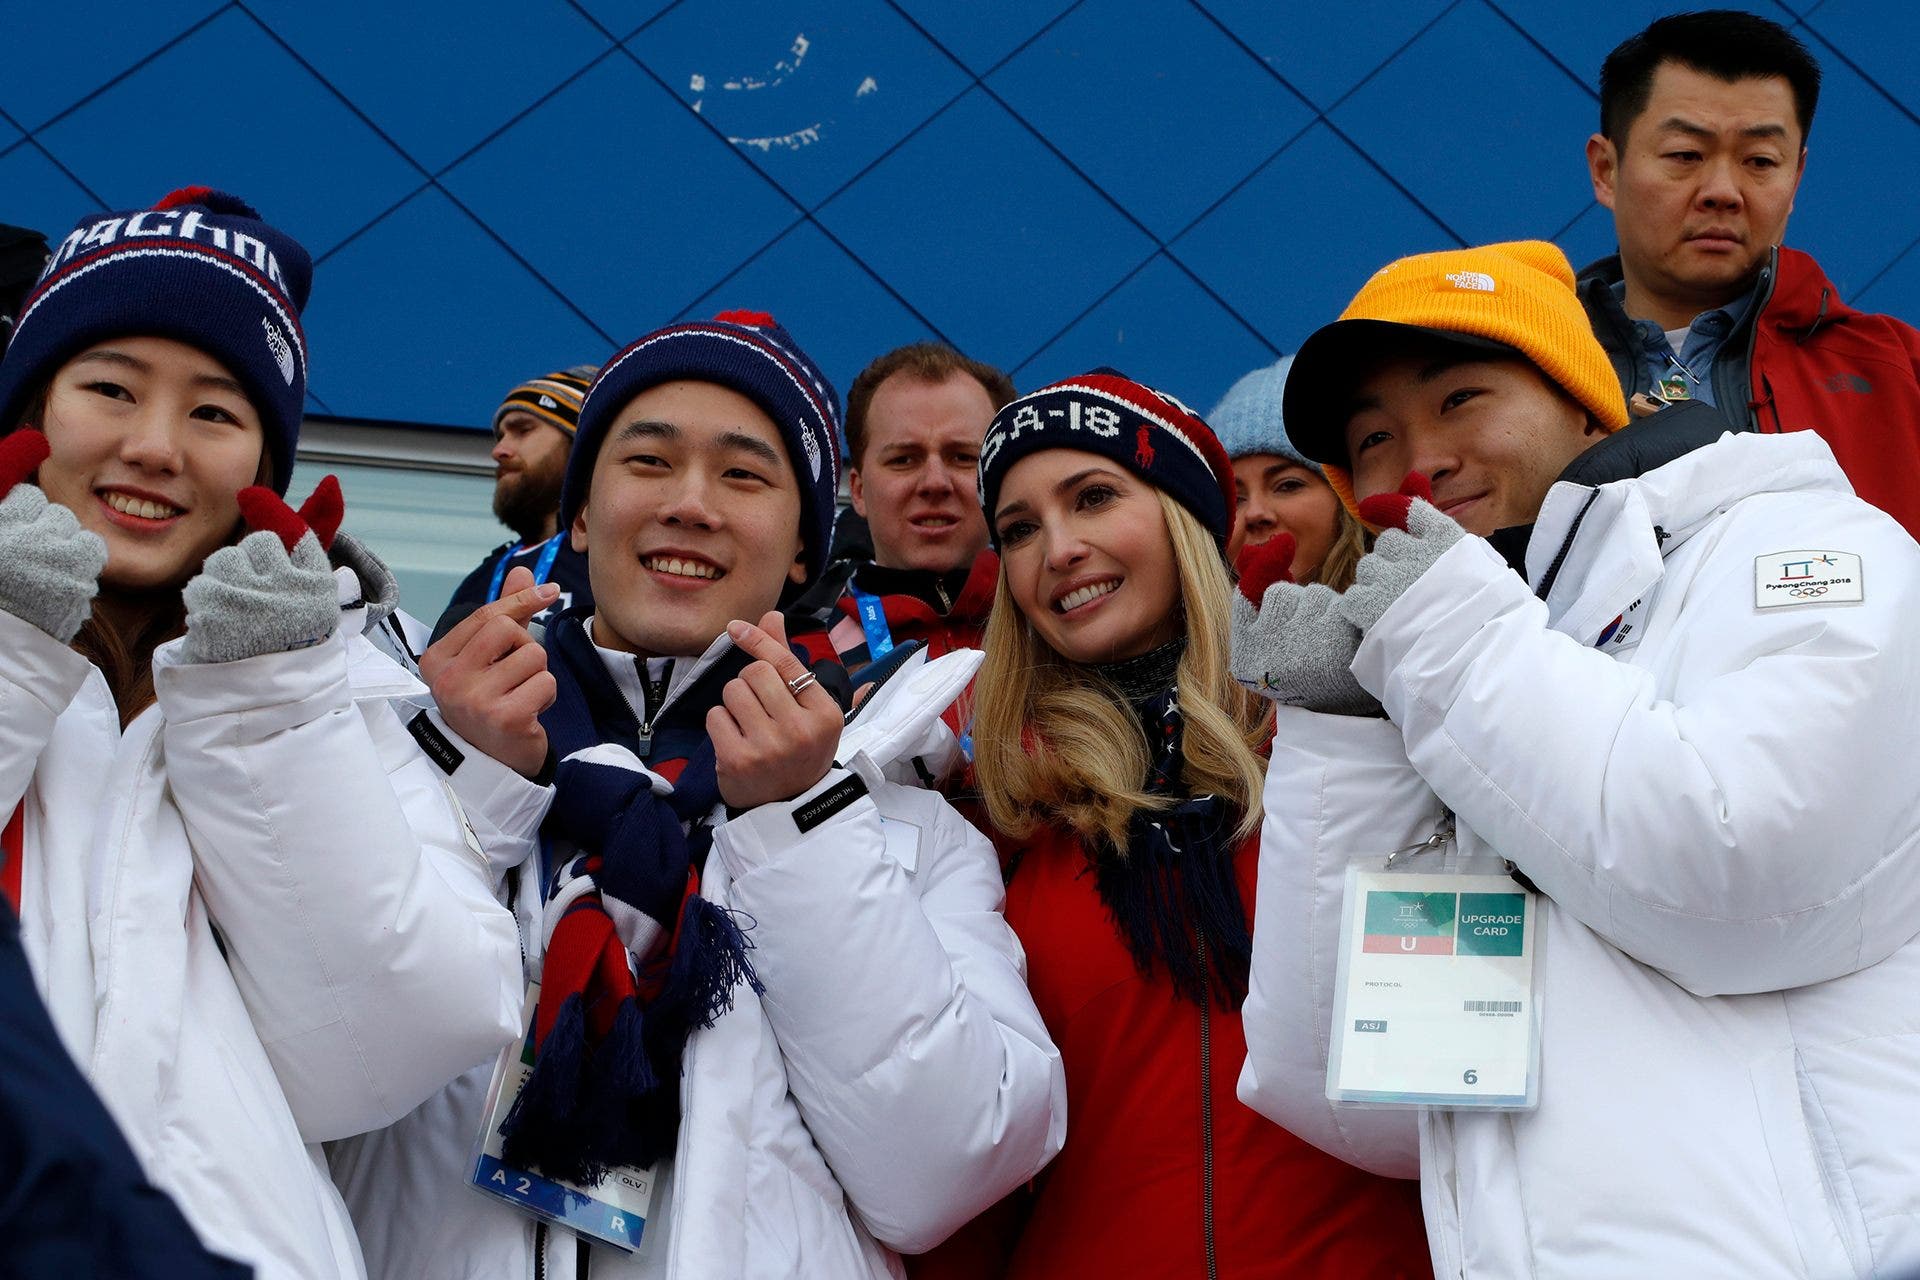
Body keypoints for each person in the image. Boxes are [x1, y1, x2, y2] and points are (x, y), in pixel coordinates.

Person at [1234, 239, 1920, 1277]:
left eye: (1462, 397)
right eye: (1374, 438)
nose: (1419, 459)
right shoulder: (1466, 667)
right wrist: (1349, 728)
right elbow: (1370, 1096)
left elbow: (1747, 878)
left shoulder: (1803, 549)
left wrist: (1447, 642)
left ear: (1590, 403)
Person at [331, 310, 1065, 1279]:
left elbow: (942, 1172)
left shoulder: (897, 811)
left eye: (742, 474)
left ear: (806, 547)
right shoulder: (405, 747)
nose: (691, 503)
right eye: (648, 461)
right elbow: (324, 1075)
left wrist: (799, 826)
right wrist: (457, 775)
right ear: (580, 515)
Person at [0, 187, 522, 1279]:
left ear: (265, 468)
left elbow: (379, 1056)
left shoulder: (337, 688)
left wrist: (264, 702)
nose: (155, 447)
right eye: (108, 388)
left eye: (214, 412)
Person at [958, 369, 1429, 1278]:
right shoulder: (990, 814)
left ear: (1187, 519)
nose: (1058, 549)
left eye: (1093, 497)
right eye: (1019, 530)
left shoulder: (1349, 738)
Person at [1579, 9, 1920, 537]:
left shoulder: (1902, 375)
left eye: (1760, 161)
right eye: (1685, 154)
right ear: (1607, 169)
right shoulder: (1516, 371)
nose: (1722, 191)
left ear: (1797, 177)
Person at [797, 342, 1014, 675]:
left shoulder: (1059, 631)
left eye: (963, 457)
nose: (935, 482)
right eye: (904, 459)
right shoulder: (795, 653)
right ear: (857, 490)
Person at [441, 365, 598, 636]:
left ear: (582, 444)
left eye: (523, 430)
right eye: (501, 437)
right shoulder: (480, 579)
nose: (498, 451)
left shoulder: (613, 563)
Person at [1210, 354, 1367, 586]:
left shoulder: (1422, 611)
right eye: (1233, 500)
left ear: (1346, 497)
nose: (1254, 513)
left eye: (1287, 485)